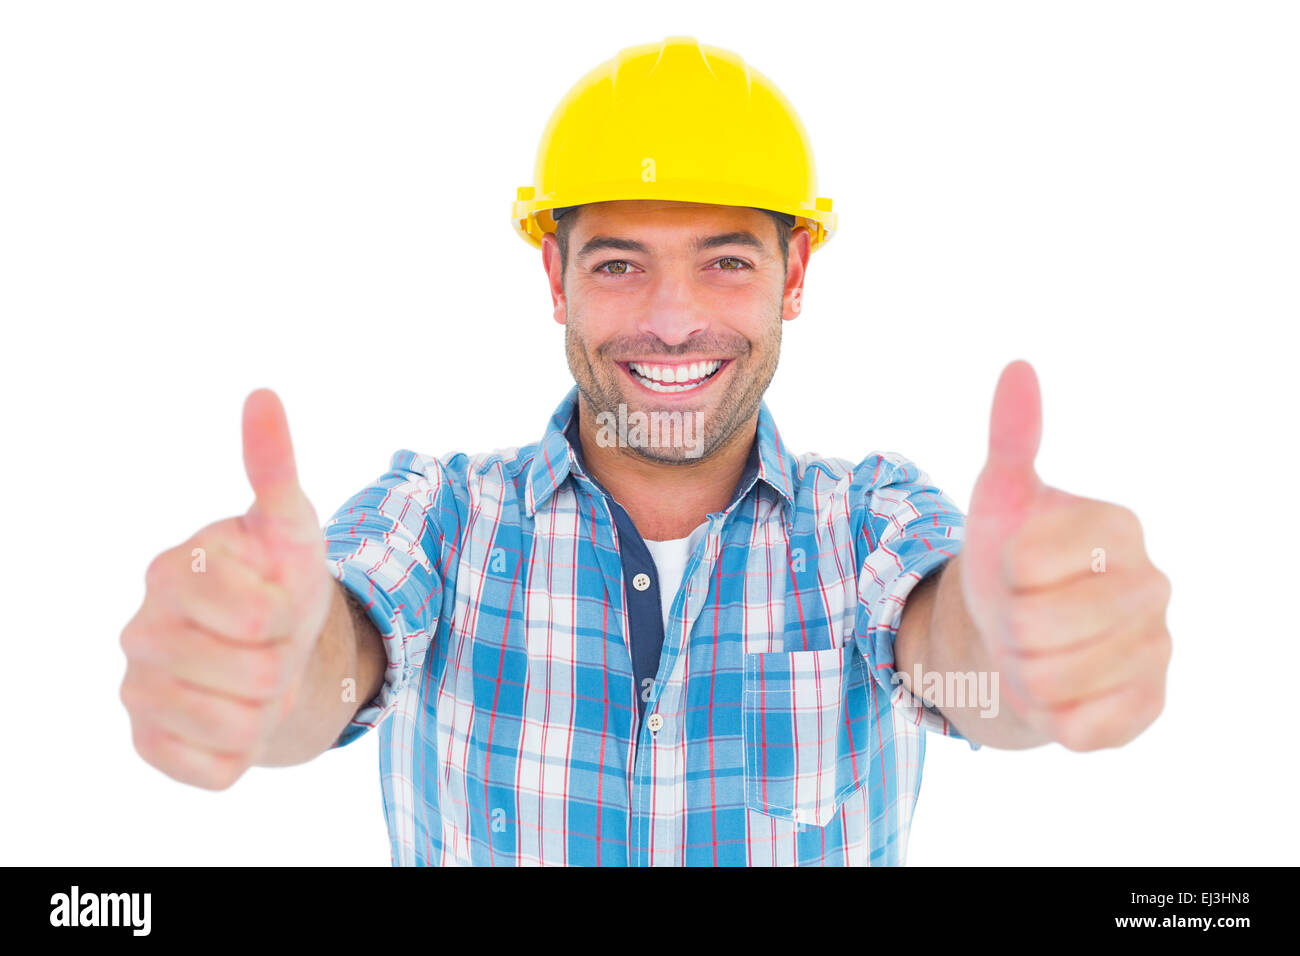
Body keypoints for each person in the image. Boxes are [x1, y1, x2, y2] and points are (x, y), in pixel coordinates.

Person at [119, 36, 1173, 866]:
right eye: (620, 264)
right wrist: (266, 671)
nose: (672, 321)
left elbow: (961, 649)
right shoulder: (441, 515)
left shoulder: (866, 524)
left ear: (793, 274)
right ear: (554, 279)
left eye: (723, 261)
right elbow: (329, 664)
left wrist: (1025, 647)